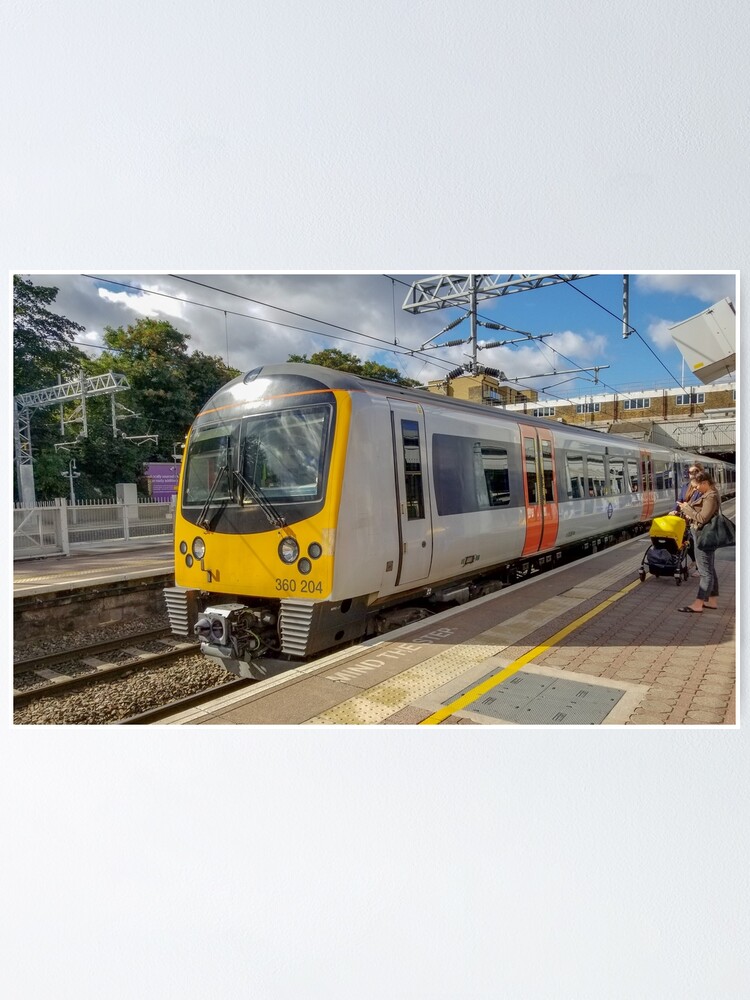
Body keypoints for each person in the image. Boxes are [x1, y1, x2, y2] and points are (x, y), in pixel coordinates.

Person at [676, 470, 720, 613]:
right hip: (703, 534)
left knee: (705, 572)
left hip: (703, 536)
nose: (695, 489)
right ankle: (712, 601)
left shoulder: (711, 496)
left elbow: (702, 518)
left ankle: (698, 604)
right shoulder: (708, 494)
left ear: (705, 483)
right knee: (709, 569)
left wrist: (687, 509)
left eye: (696, 487)